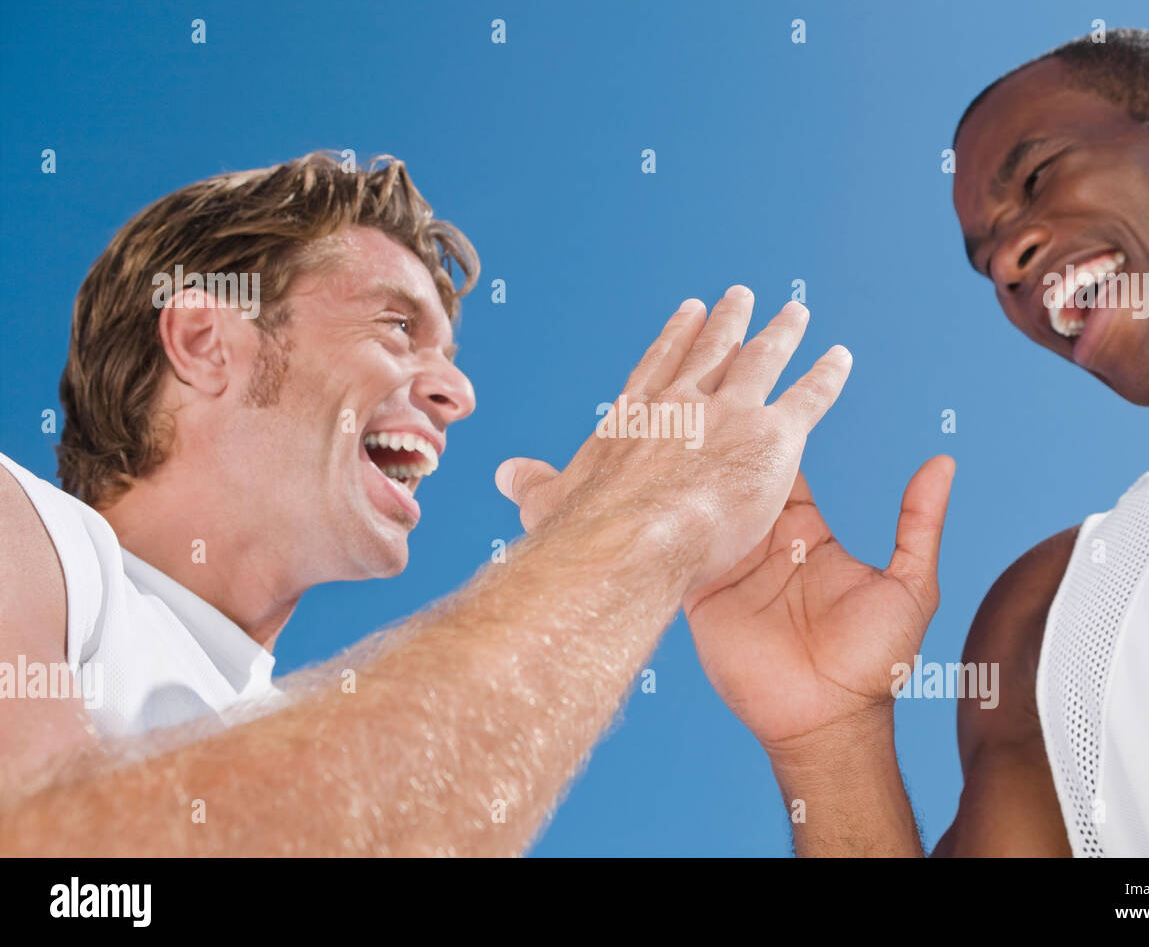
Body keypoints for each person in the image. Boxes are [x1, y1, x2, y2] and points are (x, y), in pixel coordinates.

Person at [0, 152, 916, 856]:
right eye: (397, 325)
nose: (457, 392)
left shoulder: (278, 736)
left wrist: (829, 745)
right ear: (205, 340)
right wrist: (640, 536)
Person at [681, 29, 1149, 856]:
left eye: (1040, 176)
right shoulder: (1047, 623)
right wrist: (828, 742)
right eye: (988, 261)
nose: (1011, 257)